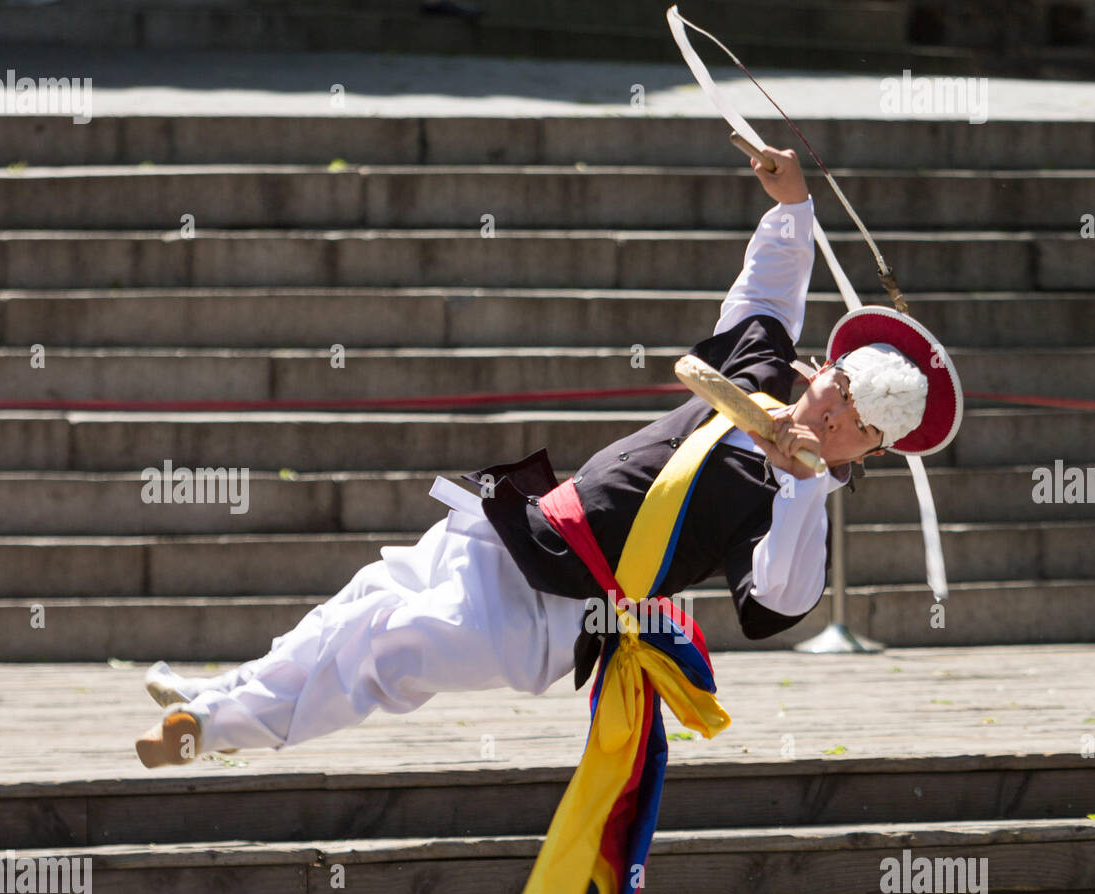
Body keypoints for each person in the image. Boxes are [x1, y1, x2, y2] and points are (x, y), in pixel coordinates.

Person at [134, 144, 958, 770]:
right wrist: (794, 206)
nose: (833, 408)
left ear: (871, 450)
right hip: (532, 527)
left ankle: (210, 731)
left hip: (567, 608)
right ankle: (214, 702)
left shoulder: (792, 510)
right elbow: (767, 296)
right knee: (367, 596)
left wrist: (803, 480)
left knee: (392, 648)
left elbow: (780, 596)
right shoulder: (767, 372)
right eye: (841, 386)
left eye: (857, 420)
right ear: (829, 366)